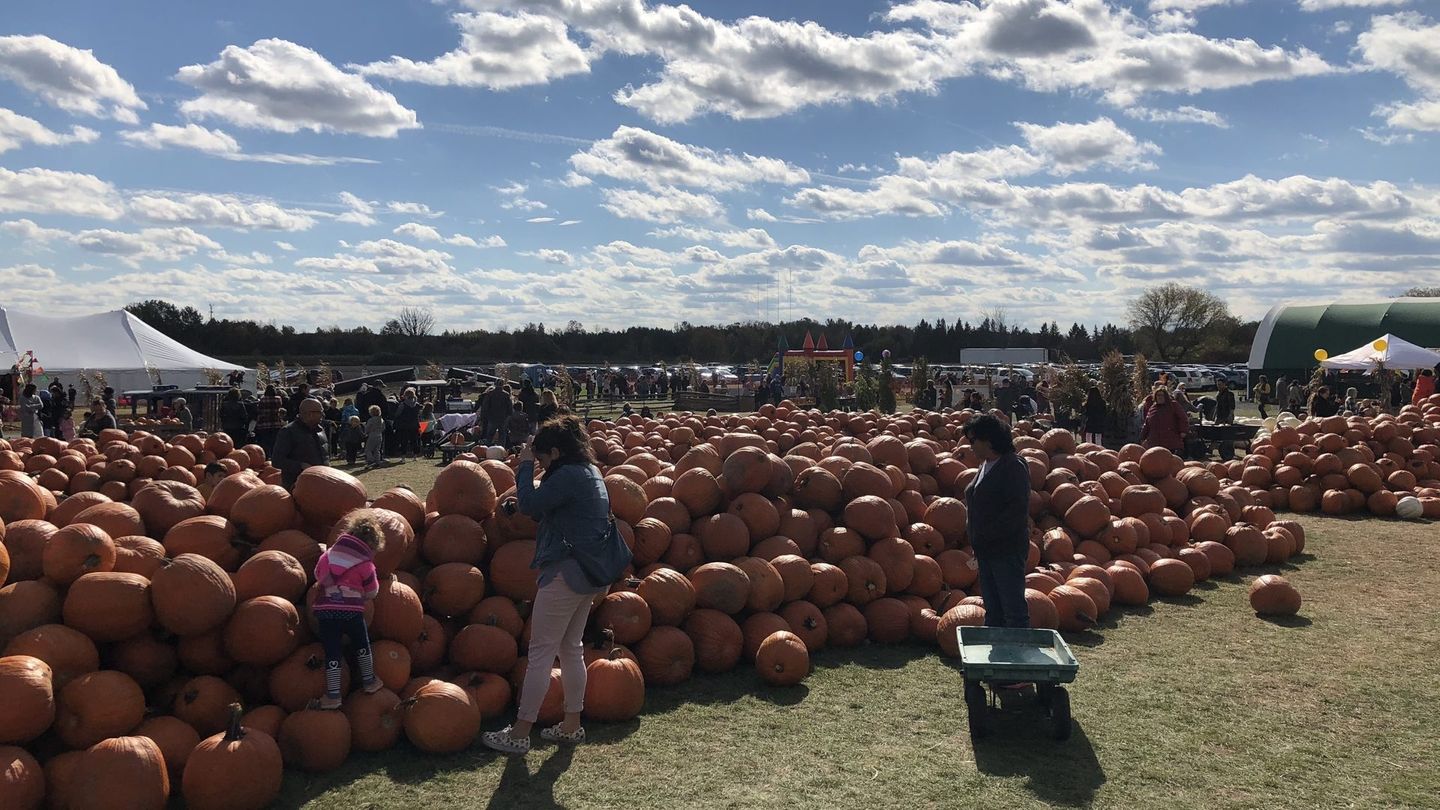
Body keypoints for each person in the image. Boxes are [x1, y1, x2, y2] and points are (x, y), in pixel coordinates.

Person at [483, 417, 615, 754]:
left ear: (556, 452)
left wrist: (524, 467)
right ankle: (572, 725)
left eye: (543, 458)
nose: (540, 464)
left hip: (565, 573)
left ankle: (519, 732)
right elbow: (563, 513)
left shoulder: (568, 474)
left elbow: (529, 504)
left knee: (541, 651)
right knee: (571, 649)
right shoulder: (590, 472)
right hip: (588, 573)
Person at [962, 414, 1031, 630]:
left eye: (973, 441)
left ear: (988, 440)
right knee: (993, 610)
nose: (970, 446)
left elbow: (1017, 510)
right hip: (986, 551)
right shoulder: (985, 466)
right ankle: (996, 658)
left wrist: (987, 536)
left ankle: (1019, 657)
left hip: (1006, 550)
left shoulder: (1013, 465)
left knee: (1012, 611)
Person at [311, 512, 386, 710]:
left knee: (332, 652)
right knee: (362, 645)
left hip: (326, 613)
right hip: (352, 612)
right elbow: (372, 591)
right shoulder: (366, 565)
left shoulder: (327, 556)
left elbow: (317, 574)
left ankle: (333, 695)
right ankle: (369, 681)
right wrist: (361, 596)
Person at [271, 398, 329, 490]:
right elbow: (277, 460)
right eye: (320, 412)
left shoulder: (320, 430)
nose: (323, 415)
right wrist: (301, 466)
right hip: (298, 486)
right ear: (310, 414)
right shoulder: (288, 432)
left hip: (321, 484)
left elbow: (325, 456)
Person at [1141, 387, 1188, 454]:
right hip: (1155, 441)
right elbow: (1147, 423)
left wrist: (1183, 431)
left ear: (1166, 396)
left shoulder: (1173, 405)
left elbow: (1183, 418)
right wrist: (1143, 436)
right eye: (1158, 395)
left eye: (1162, 395)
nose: (1160, 397)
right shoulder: (1152, 408)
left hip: (1171, 440)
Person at [254, 386, 285, 454]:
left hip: (264, 424)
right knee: (274, 443)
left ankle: (266, 456)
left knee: (265, 443)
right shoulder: (278, 399)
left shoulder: (262, 399)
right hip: (276, 424)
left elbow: (259, 410)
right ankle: (273, 456)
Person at [393, 388, 421, 461]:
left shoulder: (403, 404)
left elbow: (397, 414)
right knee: (414, 441)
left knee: (404, 441)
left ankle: (403, 457)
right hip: (414, 425)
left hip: (404, 425)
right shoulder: (417, 405)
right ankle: (415, 456)